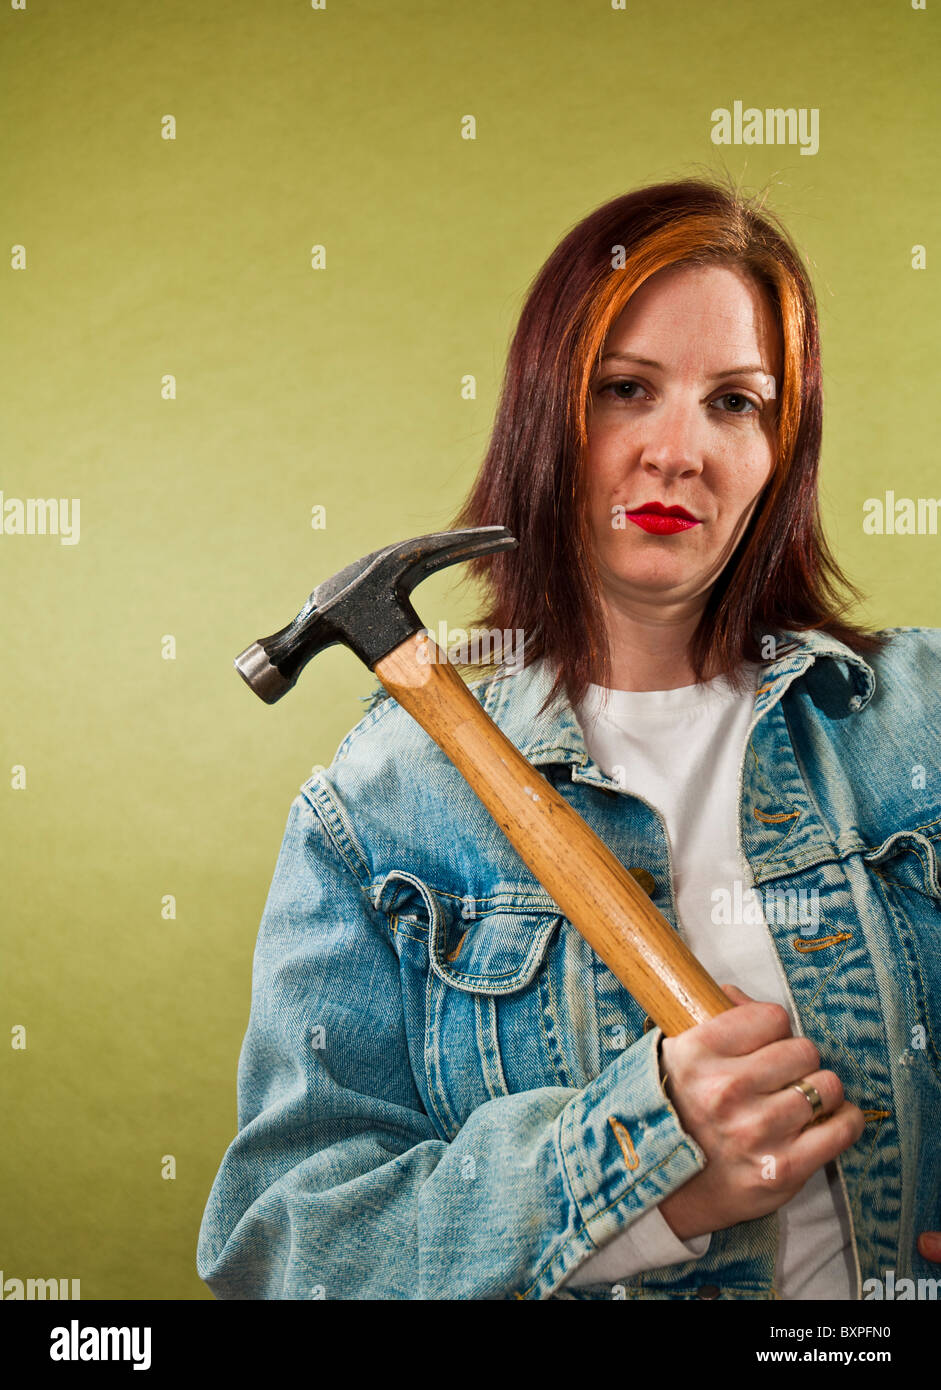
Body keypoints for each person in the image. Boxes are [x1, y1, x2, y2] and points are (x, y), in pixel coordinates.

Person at [197, 178, 941, 1300]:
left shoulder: (917, 716)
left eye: (733, 402)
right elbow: (283, 1247)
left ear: (781, 446)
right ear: (546, 414)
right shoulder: (382, 804)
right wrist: (641, 1173)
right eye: (624, 388)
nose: (674, 451)